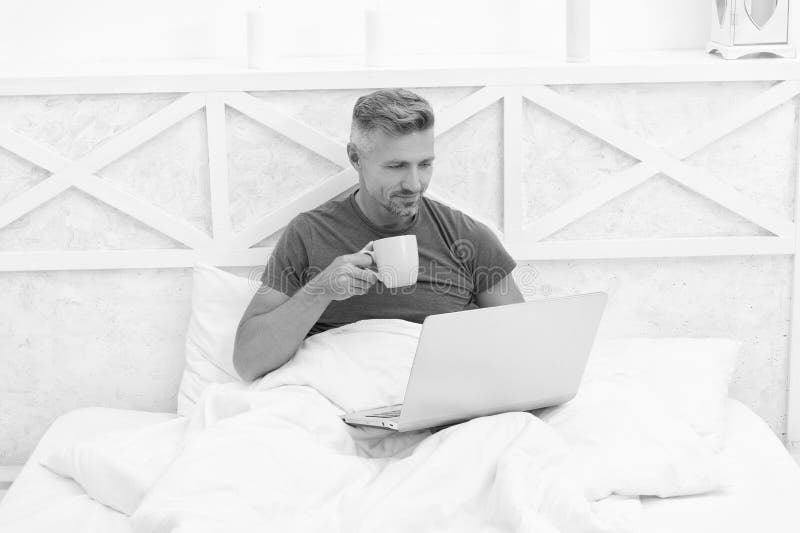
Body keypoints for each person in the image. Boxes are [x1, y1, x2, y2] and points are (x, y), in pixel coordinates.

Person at [233, 88, 524, 381]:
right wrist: (321, 290)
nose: (414, 184)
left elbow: (525, 348)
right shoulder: (309, 234)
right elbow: (248, 362)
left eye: (425, 164)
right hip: (337, 394)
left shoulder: (467, 238)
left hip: (438, 393)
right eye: (396, 166)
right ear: (355, 158)